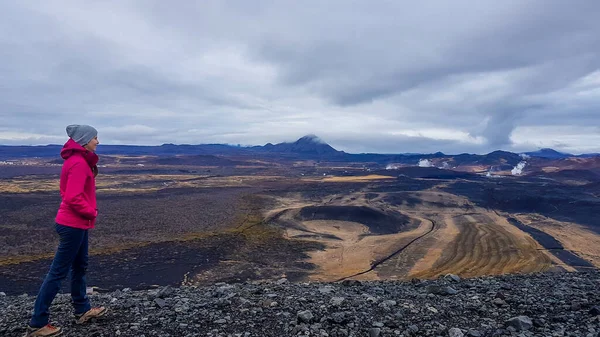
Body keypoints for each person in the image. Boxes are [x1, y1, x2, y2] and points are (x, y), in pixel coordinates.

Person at [26, 125, 107, 337]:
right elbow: (72, 197)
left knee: (80, 266)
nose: (97, 141)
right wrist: (91, 212)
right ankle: (38, 323)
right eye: (95, 138)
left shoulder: (78, 160)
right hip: (73, 224)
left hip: (77, 224)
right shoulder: (79, 163)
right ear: (84, 140)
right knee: (58, 273)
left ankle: (82, 310)